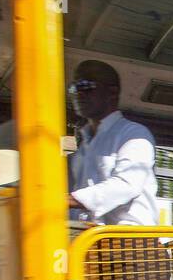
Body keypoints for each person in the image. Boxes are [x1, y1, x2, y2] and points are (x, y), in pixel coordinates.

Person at [66, 60, 159, 225]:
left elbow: (125, 185)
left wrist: (68, 201)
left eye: (86, 86)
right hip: (93, 239)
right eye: (74, 88)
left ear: (112, 93)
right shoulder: (84, 145)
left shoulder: (134, 134)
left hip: (132, 243)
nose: (78, 94)